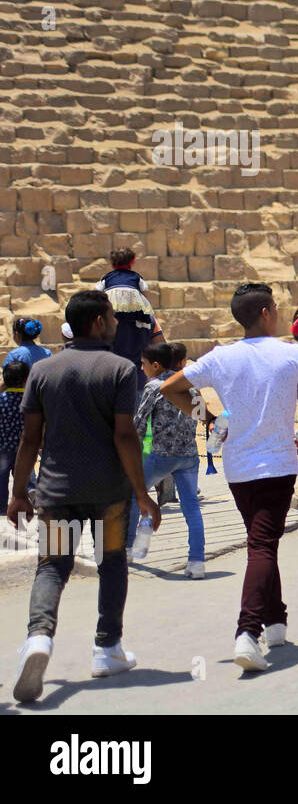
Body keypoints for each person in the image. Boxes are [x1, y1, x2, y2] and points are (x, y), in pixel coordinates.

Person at [7, 290, 161, 704]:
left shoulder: (43, 371)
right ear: (97, 322)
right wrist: (142, 494)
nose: (116, 323)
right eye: (111, 317)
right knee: (112, 565)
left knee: (52, 568)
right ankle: (106, 648)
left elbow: (29, 438)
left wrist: (19, 493)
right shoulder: (120, 369)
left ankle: (39, 639)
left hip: (56, 494)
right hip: (109, 497)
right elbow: (125, 435)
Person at [158, 283, 298, 672]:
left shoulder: (220, 358)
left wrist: (209, 419)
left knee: (264, 541)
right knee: (262, 545)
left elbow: (170, 387)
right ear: (265, 313)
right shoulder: (294, 354)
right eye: (275, 307)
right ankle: (248, 632)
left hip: (239, 467)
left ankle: (276, 622)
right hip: (278, 463)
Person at [127, 345, 205, 577]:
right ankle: (197, 561)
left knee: (133, 494)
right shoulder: (190, 386)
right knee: (191, 507)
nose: (142, 369)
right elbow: (201, 415)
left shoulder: (154, 387)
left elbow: (138, 425)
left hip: (162, 456)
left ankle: (129, 548)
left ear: (156, 365)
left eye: (143, 364)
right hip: (190, 455)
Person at [95, 248, 164, 394]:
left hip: (112, 311)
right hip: (136, 316)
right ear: (132, 262)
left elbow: (97, 294)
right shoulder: (137, 278)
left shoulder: (105, 278)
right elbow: (144, 293)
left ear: (112, 263)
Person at [1, 361, 36, 507]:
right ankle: (29, 493)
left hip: (2, 448)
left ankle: (2, 507)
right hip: (24, 448)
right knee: (24, 475)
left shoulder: (1, 400)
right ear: (26, 379)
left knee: (1, 479)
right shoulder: (31, 401)